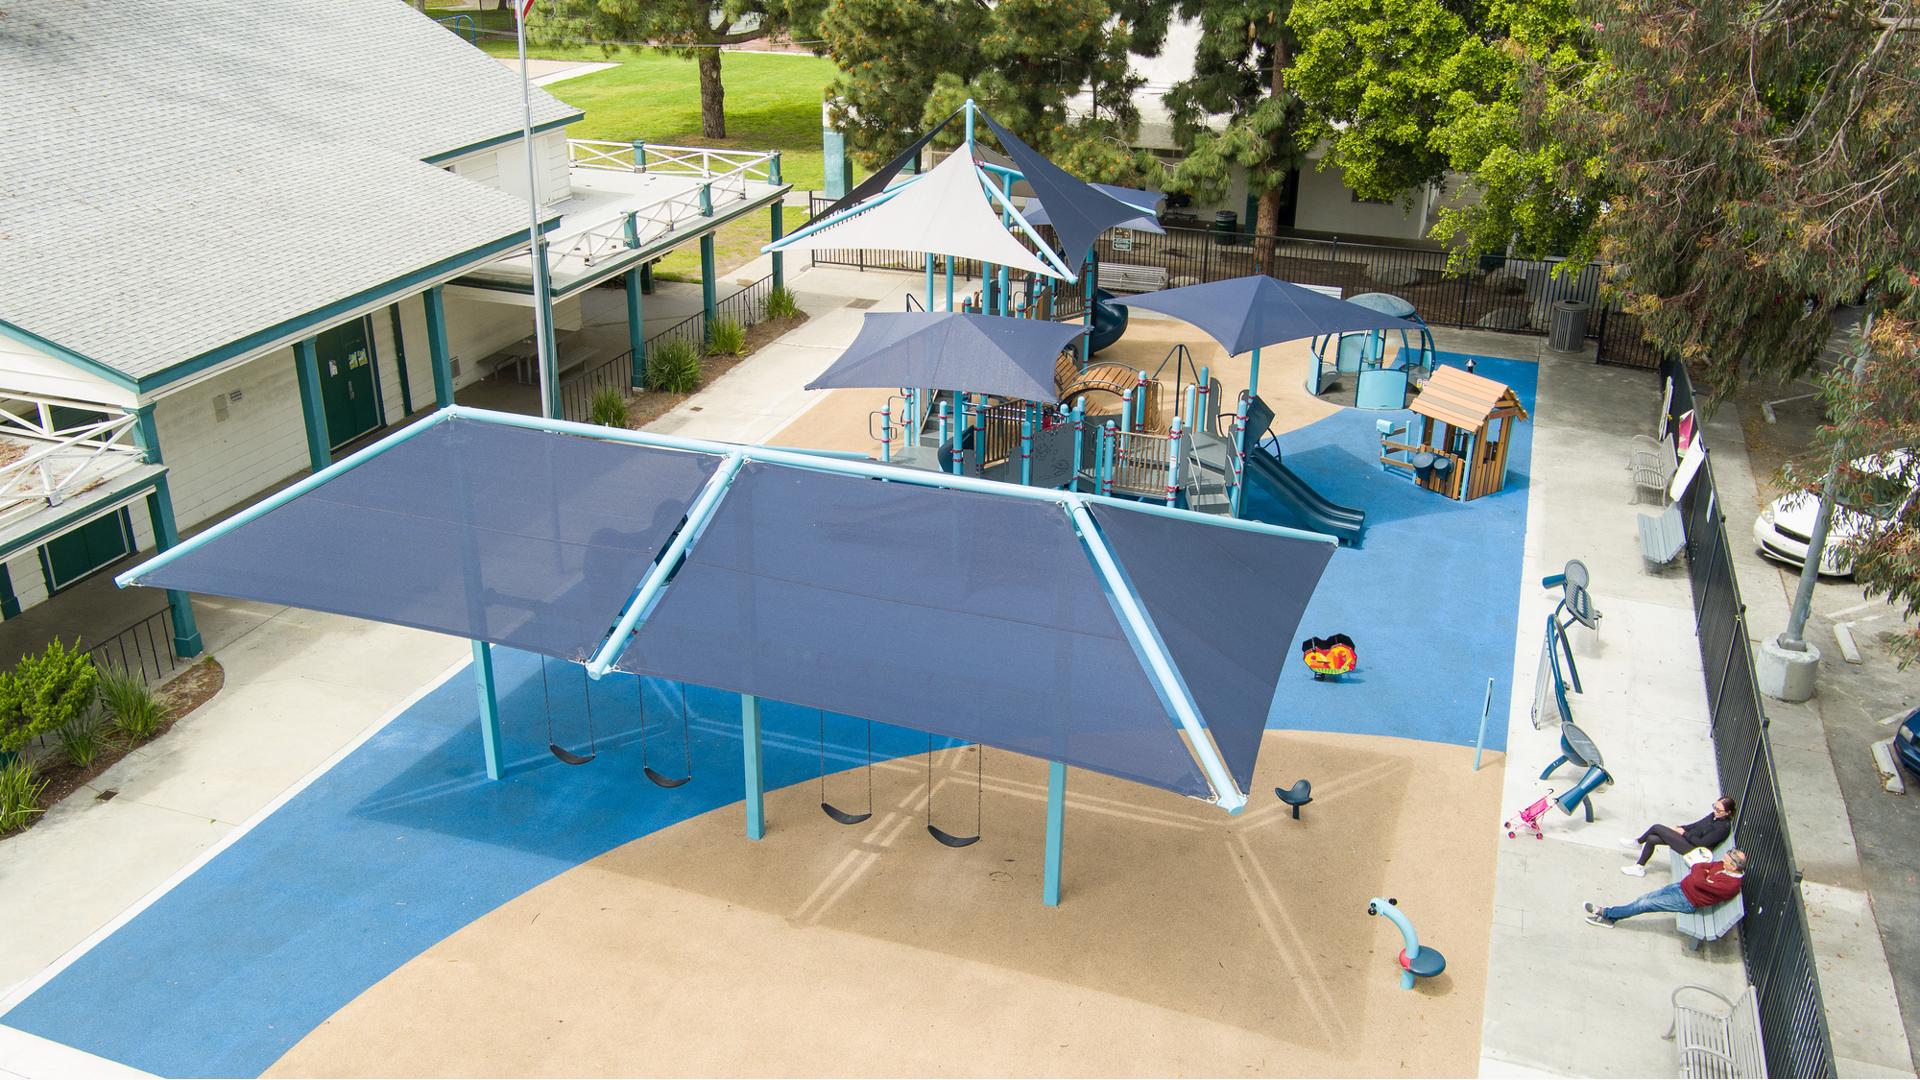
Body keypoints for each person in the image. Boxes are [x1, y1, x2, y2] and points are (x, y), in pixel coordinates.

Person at [1585, 849, 1747, 926]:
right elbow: (1700, 866)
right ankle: (1612, 917)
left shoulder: (1731, 885)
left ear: (1734, 867)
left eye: (1726, 861)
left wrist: (1702, 875)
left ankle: (1606, 913)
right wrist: (1702, 875)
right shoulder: (1722, 866)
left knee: (1644, 904)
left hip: (1687, 900)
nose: (1722, 862)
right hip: (1681, 887)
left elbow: (1699, 879)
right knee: (1644, 899)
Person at [1619, 796, 1735, 876]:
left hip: (1695, 850)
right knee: (1652, 839)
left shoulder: (1723, 828)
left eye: (1719, 810)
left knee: (1656, 827)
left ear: (1728, 812)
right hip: (1688, 840)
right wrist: (1681, 828)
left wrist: (1683, 833)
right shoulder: (1714, 816)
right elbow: (1696, 825)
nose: (1715, 811)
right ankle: (1639, 867)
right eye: (1715, 807)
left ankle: (1638, 843)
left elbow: (1702, 843)